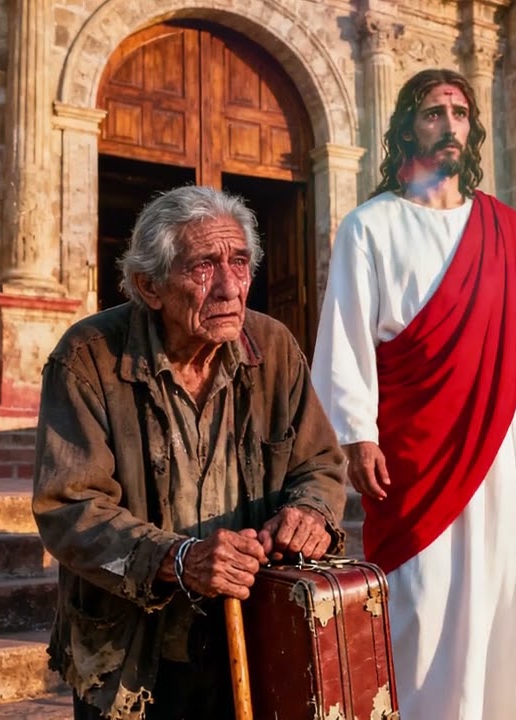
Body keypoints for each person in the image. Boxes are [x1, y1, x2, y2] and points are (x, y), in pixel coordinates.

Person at [311, 68, 516, 719]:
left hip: (497, 450)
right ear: (407, 128)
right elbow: (345, 335)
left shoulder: (506, 229)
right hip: (413, 452)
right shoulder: (370, 226)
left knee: (500, 606)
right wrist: (357, 434)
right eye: (434, 112)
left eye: (460, 113)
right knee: (420, 607)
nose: (450, 124)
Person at [32, 186, 348, 720]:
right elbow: (70, 507)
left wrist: (310, 512)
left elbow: (319, 463)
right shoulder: (88, 358)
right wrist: (177, 560)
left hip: (255, 633)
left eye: (240, 263)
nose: (229, 287)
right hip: (134, 646)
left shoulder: (273, 347)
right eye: (204, 265)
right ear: (149, 286)